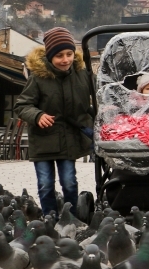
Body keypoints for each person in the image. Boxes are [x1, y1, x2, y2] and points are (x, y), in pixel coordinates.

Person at [14, 27, 94, 216]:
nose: (65, 60)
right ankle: (50, 217)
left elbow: (98, 97)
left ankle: (71, 217)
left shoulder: (83, 74)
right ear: (50, 57)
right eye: (59, 55)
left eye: (69, 54)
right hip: (44, 139)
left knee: (69, 181)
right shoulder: (38, 77)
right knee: (45, 183)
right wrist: (38, 115)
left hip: (69, 138)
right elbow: (22, 105)